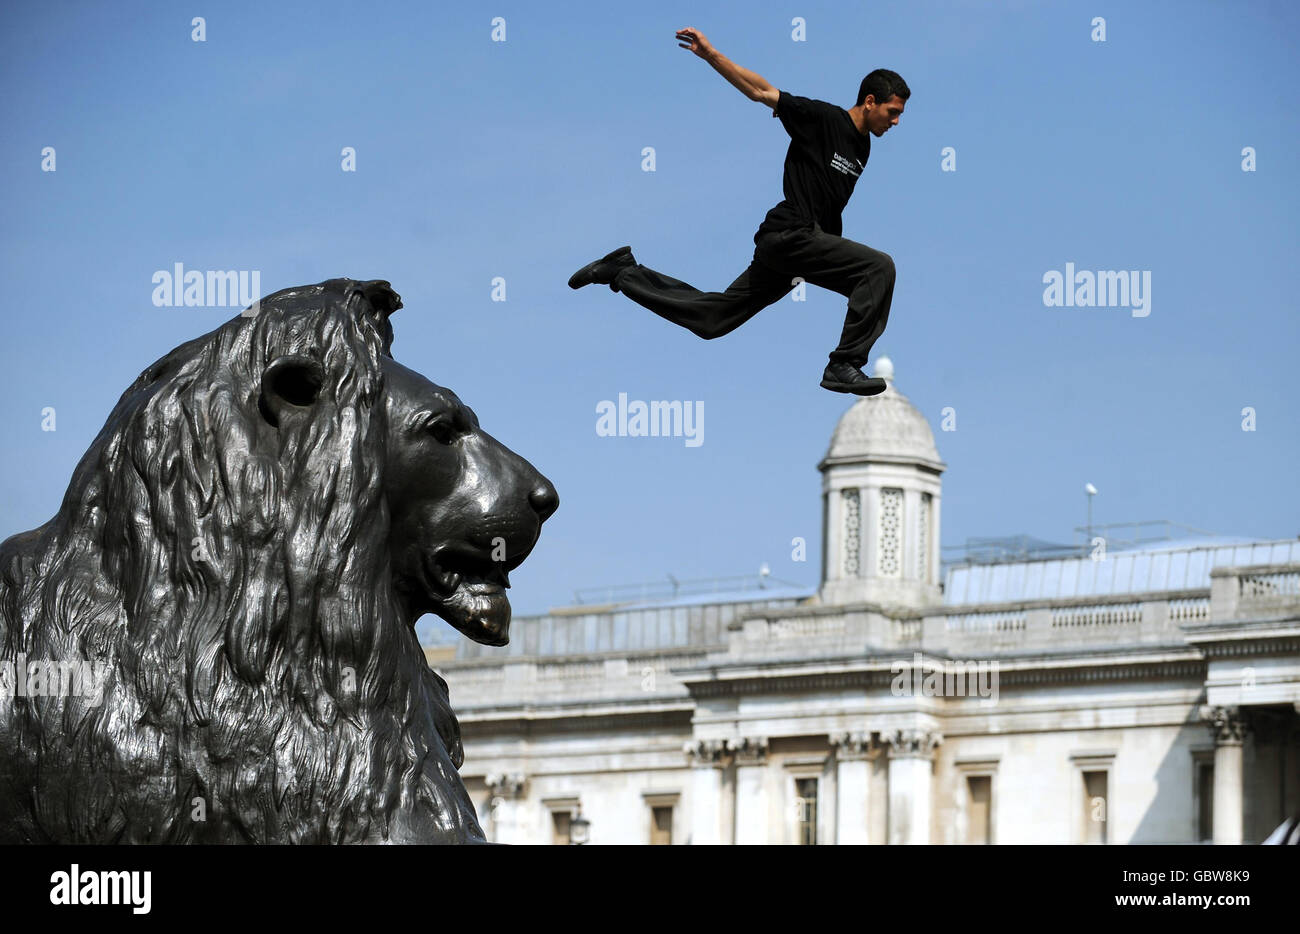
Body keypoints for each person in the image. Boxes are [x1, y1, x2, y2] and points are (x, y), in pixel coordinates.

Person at [568, 27, 910, 396]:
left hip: (800, 255)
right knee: (879, 267)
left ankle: (623, 271)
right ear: (870, 101)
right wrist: (711, 54)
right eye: (892, 112)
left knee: (713, 320)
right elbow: (761, 91)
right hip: (791, 234)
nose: (895, 122)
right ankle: (844, 364)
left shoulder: (863, 148)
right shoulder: (823, 118)